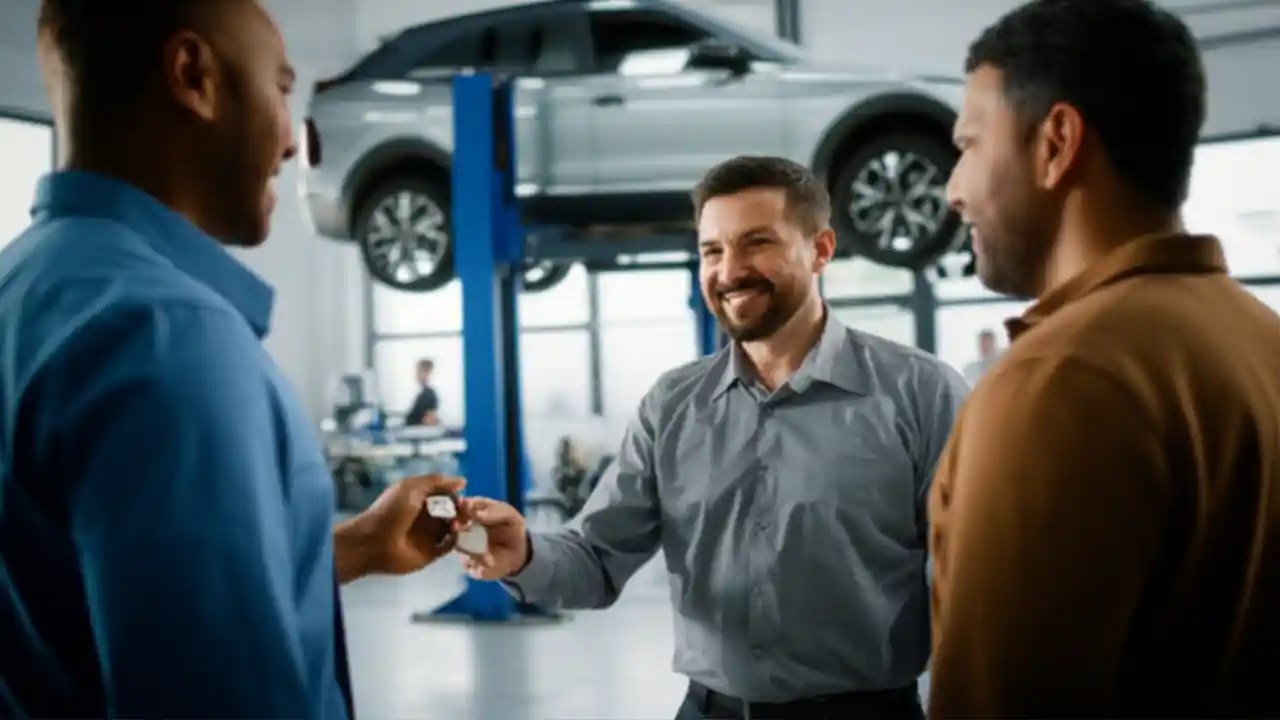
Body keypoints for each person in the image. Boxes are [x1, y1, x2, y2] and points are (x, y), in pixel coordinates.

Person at [0, 1, 467, 716]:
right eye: (281, 90)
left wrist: (354, 548)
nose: (290, 143)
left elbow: (93, 594)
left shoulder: (25, 289)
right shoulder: (168, 338)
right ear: (194, 76)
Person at [462, 156, 969, 720]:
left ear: (821, 250)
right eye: (712, 250)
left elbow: (974, 587)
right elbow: (596, 558)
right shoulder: (673, 405)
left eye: (757, 243)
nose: (730, 271)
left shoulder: (920, 393)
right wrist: (522, 555)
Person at [928, 0, 1280, 717]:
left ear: (1056, 142)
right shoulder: (1259, 339)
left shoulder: (1058, 381)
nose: (952, 190)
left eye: (968, 145)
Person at [405, 357, 441, 426]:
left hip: (418, 432)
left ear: (427, 373)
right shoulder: (422, 394)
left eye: (419, 371)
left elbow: (430, 421)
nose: (416, 374)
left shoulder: (429, 395)